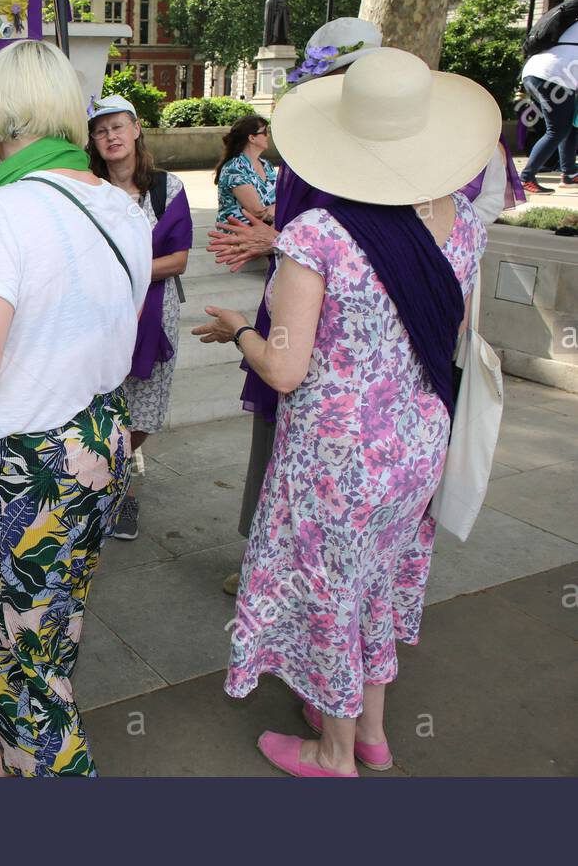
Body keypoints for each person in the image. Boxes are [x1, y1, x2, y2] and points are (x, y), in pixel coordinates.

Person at [194, 47, 499, 776]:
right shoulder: (463, 227)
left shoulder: (318, 236)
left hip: (339, 457)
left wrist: (239, 327)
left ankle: (334, 753)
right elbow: (448, 337)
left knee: (334, 593)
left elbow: (286, 367)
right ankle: (371, 731)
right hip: (418, 443)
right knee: (380, 584)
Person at [0, 40, 150, 777]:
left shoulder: (3, 211)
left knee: (17, 657)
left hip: (20, 461)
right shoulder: (122, 205)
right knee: (53, 620)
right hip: (97, 440)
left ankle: (47, 764)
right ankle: (16, 755)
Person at [210, 16, 382, 596]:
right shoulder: (310, 151)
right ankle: (276, 563)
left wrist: (278, 243)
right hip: (302, 316)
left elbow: (344, 241)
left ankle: (295, 578)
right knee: (276, 444)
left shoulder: (382, 165)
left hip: (341, 346)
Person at [87, 94, 192, 541]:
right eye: (101, 130)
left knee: (145, 411)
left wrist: (124, 269)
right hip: (101, 312)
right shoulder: (88, 190)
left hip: (154, 311)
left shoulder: (166, 188)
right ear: (93, 141)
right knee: (104, 401)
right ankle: (117, 493)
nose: (111, 136)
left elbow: (178, 260)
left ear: (135, 130)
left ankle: (111, 475)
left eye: (118, 126)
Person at [519, 10, 578, 194]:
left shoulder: (572, 23)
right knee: (557, 130)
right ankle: (526, 178)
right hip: (552, 77)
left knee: (565, 126)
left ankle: (569, 173)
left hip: (538, 73)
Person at [215, 115, 275, 226]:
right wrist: (287, 204)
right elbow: (258, 213)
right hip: (240, 238)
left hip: (265, 235)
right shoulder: (234, 168)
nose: (268, 135)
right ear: (252, 138)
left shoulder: (267, 165)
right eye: (265, 132)